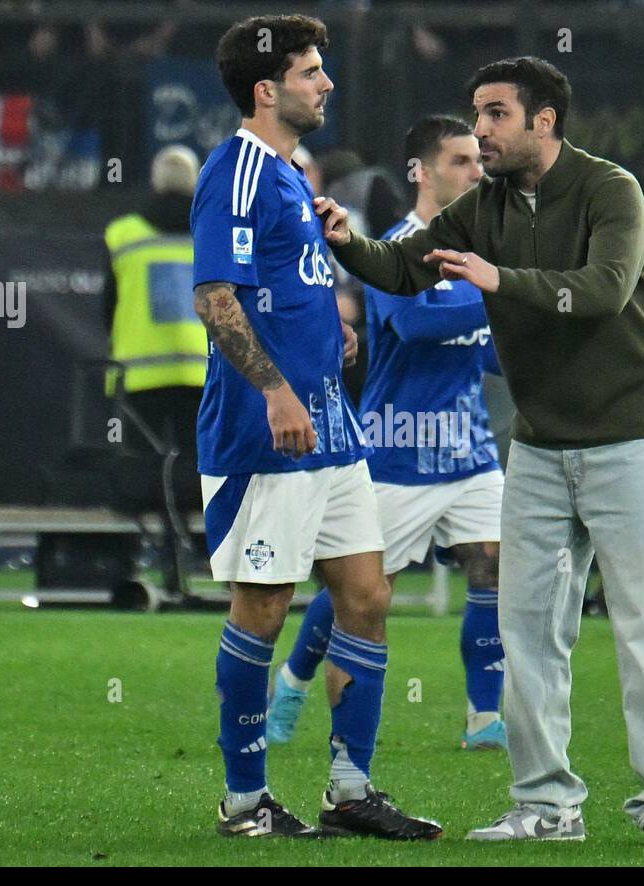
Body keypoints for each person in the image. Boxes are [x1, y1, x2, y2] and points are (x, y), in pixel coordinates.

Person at [315, 56, 644, 848]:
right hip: (538, 446)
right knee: (525, 628)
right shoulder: (482, 206)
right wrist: (348, 241)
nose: (480, 131)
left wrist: (499, 278)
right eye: (477, 115)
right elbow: (402, 268)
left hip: (628, 439)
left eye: (495, 114)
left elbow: (601, 289)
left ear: (544, 121)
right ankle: (547, 806)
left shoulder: (610, 191)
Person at [191, 14, 440, 840]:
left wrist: (329, 318)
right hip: (267, 432)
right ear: (267, 91)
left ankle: (350, 787)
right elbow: (216, 298)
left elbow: (275, 281)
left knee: (366, 598)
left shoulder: (294, 174)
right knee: (262, 606)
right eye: (309, 72)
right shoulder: (232, 172)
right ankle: (243, 801)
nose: (325, 83)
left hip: (331, 427)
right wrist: (274, 389)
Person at [266, 114, 508, 751]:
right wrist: (507, 296)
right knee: (362, 592)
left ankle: (485, 717)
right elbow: (418, 327)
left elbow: (483, 352)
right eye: (460, 160)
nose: (475, 172)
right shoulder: (402, 248)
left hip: (470, 450)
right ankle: (292, 680)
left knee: (495, 574)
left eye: (478, 160)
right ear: (421, 172)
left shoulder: (483, 256)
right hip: (399, 452)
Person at [104, 144, 208, 456]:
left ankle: (141, 502)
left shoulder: (123, 234)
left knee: (140, 460)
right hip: (202, 368)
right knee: (198, 459)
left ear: (155, 182)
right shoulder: (212, 231)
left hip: (140, 371)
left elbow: (108, 305)